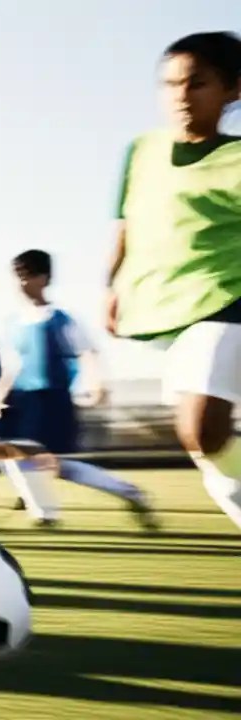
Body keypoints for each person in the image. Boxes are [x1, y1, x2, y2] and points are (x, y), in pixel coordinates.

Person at [105, 32, 241, 530]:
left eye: (198, 83)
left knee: (201, 429)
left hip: (230, 300)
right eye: (170, 84)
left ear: (234, 90)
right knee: (207, 447)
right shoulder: (142, 151)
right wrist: (112, 284)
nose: (181, 96)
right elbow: (127, 221)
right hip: (174, 311)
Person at [0, 250, 156, 529]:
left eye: (28, 276)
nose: (22, 283)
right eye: (18, 276)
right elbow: (12, 366)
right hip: (20, 400)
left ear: (44, 278)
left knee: (56, 465)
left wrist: (98, 384)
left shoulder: (59, 318)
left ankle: (128, 493)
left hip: (51, 399)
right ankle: (43, 511)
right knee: (9, 453)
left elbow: (87, 352)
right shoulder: (11, 323)